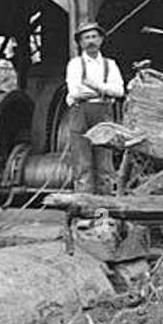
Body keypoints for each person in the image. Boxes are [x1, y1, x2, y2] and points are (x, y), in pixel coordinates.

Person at [66, 21, 124, 194]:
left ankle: (103, 218)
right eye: (86, 38)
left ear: (101, 40)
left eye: (94, 37)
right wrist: (105, 90)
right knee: (83, 167)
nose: (90, 41)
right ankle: (83, 216)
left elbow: (119, 91)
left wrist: (97, 87)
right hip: (80, 115)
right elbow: (76, 92)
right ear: (80, 43)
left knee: (105, 168)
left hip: (103, 116)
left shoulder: (110, 65)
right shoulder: (75, 64)